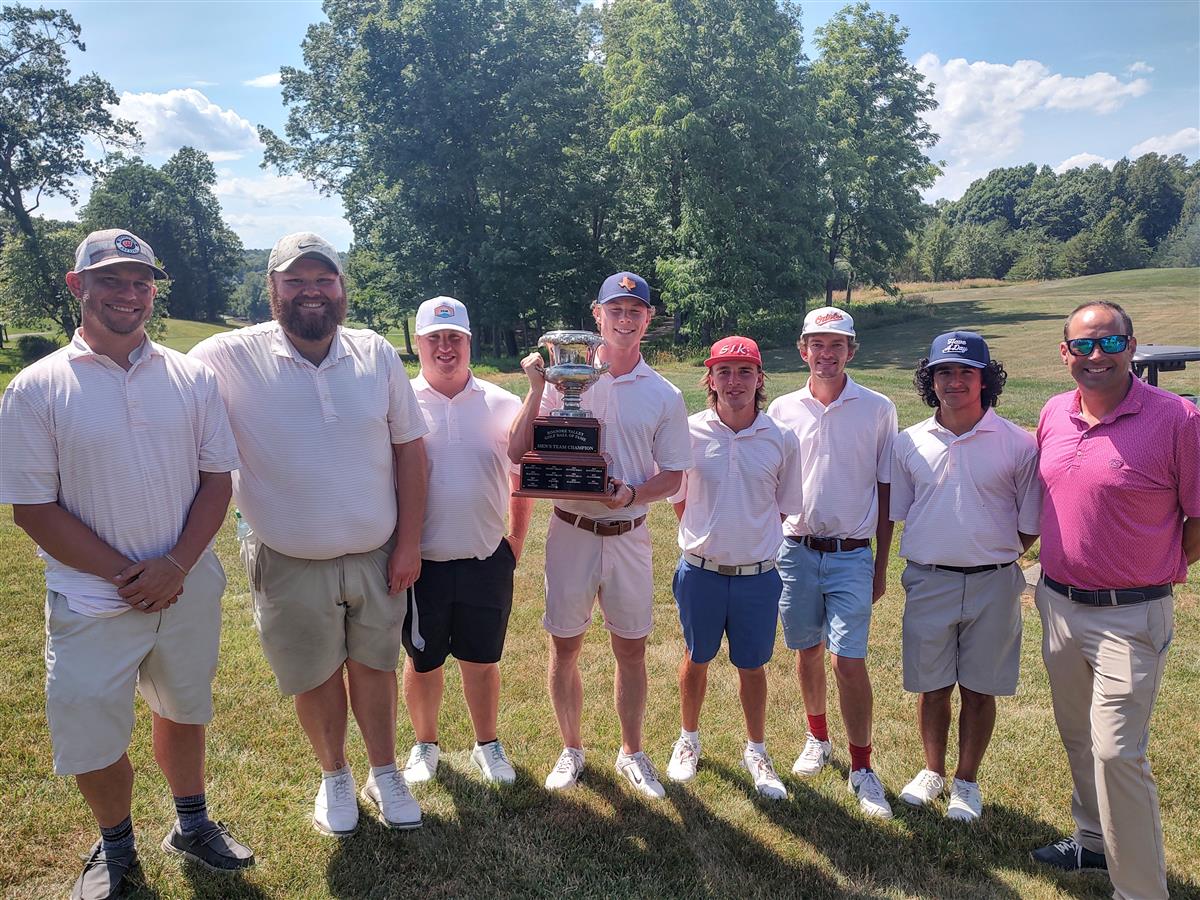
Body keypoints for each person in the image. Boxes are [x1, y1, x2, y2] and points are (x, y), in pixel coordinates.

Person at [0, 229, 253, 900]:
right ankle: (116, 848)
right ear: (76, 285)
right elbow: (33, 509)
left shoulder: (191, 376)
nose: (128, 294)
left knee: (184, 709)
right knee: (92, 728)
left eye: (140, 282)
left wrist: (173, 565)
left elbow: (216, 482)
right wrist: (130, 573)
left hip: (186, 586)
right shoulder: (36, 388)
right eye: (111, 280)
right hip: (91, 598)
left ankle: (191, 825)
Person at [189, 232, 428, 835]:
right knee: (315, 673)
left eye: (323, 279)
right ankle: (335, 776)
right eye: (295, 281)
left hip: (377, 554)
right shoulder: (227, 356)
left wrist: (408, 544)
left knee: (375, 667)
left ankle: (385, 771)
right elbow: (161, 383)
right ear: (272, 290)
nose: (311, 292)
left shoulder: (375, 354)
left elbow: (410, 453)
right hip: (288, 558)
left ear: (342, 288)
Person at [1030, 301, 1199, 899]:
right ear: (1065, 352)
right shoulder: (1052, 412)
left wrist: (1157, 564)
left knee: (1117, 753)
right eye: (1083, 346)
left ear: (1132, 345)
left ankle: (1142, 892)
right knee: (1078, 735)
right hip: (1056, 604)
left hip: (1131, 615)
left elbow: (1199, 516)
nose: (1095, 356)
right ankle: (1093, 843)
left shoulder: (1177, 419)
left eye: (1109, 343)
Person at [508, 271, 691, 798]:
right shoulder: (565, 375)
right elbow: (519, 452)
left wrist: (631, 494)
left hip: (629, 531)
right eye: (616, 309)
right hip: (570, 530)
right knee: (564, 645)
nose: (625, 319)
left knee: (631, 649)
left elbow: (675, 475)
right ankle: (571, 748)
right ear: (597, 315)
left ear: (648, 319)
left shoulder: (664, 394)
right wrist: (536, 387)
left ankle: (632, 751)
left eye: (636, 310)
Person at [889, 331, 1040, 822]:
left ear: (985, 379)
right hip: (929, 579)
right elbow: (901, 511)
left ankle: (966, 782)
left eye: (965, 372)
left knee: (979, 688)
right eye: (944, 372)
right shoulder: (907, 441)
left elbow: (1028, 524)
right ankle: (933, 771)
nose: (954, 381)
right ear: (930, 379)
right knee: (932, 686)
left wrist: (988, 557)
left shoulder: (1019, 443)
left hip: (994, 582)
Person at [766, 306, 897, 818]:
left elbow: (886, 491)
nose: (826, 353)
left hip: (851, 554)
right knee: (806, 650)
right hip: (795, 549)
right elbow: (770, 482)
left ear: (851, 351)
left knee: (849, 660)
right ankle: (816, 737)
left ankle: (862, 766)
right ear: (803, 350)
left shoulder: (877, 408)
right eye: (817, 344)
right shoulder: (781, 409)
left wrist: (882, 564)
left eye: (836, 344)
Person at [400, 296, 533, 786]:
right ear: (418, 345)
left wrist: (516, 538)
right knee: (423, 659)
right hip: (421, 562)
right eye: (434, 339)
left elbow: (521, 474)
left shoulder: (502, 402)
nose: (445, 348)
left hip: (484, 557)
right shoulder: (400, 402)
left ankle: (487, 745)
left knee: (482, 659)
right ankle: (425, 745)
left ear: (469, 342)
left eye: (454, 338)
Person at [664, 337, 803, 799]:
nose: (734, 381)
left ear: (760, 379)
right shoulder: (689, 431)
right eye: (724, 371)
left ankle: (757, 750)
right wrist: (709, 540)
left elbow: (783, 509)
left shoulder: (782, 438)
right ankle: (688, 740)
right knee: (695, 658)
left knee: (753, 666)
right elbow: (679, 498)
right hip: (700, 573)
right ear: (710, 379)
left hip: (758, 576)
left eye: (745, 372)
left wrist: (746, 540)